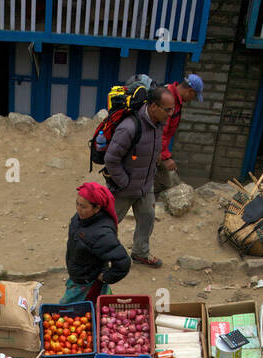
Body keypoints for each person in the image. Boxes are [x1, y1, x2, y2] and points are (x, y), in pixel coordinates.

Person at [103, 86, 174, 269]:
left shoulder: (158, 125)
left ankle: (140, 253)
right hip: (124, 188)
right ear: (153, 107)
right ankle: (101, 257)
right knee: (109, 223)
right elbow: (111, 159)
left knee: (148, 217)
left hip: (145, 185)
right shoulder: (129, 127)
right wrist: (124, 182)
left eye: (172, 109)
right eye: (167, 109)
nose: (171, 114)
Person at [63, 182, 131, 303]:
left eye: (83, 207)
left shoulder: (102, 235)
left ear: (97, 208)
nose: (79, 209)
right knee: (97, 303)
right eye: (77, 204)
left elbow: (123, 263)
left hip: (87, 281)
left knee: (68, 309)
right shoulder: (81, 218)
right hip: (80, 275)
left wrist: (106, 277)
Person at [155, 74, 203, 195]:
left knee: (161, 182)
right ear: (190, 91)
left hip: (157, 149)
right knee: (161, 182)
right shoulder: (169, 100)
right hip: (151, 148)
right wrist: (166, 157)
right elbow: (160, 131)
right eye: (194, 96)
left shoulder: (173, 96)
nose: (192, 99)